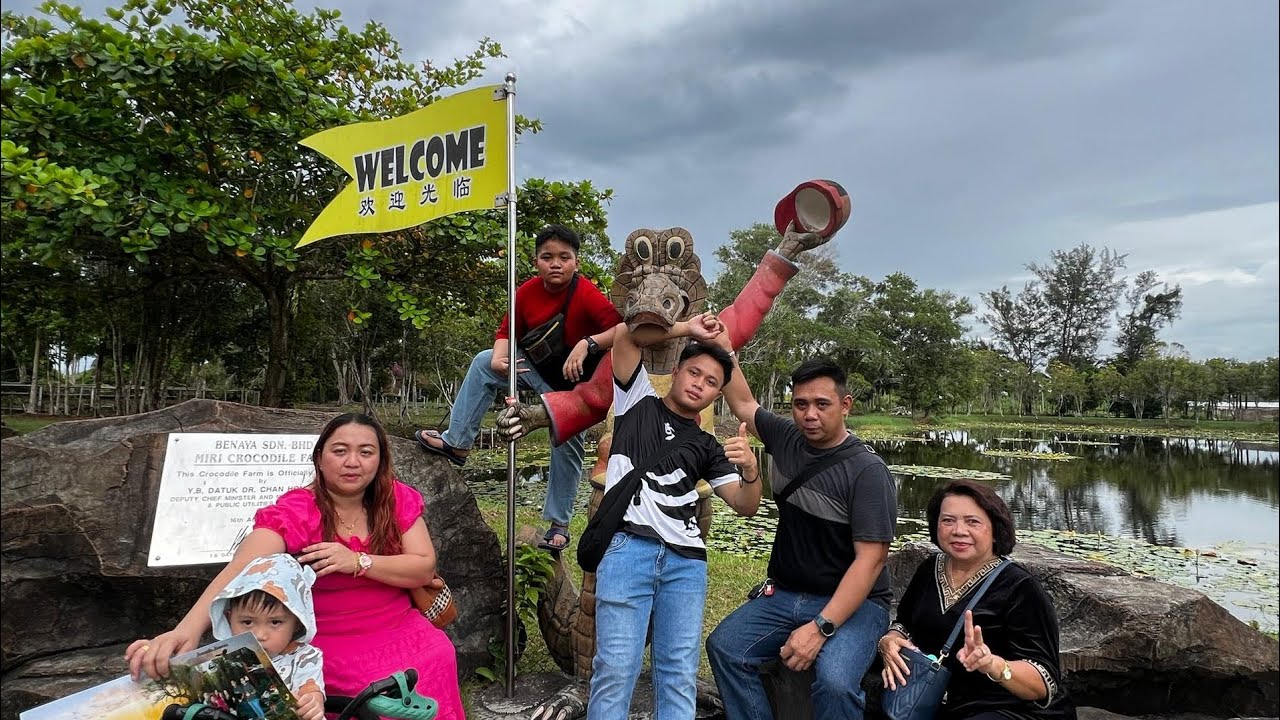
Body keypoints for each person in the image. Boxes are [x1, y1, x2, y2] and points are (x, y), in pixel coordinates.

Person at [126, 413, 465, 720]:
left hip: (397, 623)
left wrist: (356, 561)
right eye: (339, 450)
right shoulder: (299, 509)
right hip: (330, 635)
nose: (352, 462)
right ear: (319, 458)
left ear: (380, 460)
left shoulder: (396, 498)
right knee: (353, 680)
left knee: (436, 652)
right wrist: (186, 630)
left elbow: (423, 567)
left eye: (366, 452)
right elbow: (243, 568)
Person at [585, 311, 762, 719]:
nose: (699, 383)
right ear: (678, 369)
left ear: (718, 394)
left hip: (686, 563)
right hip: (629, 548)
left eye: (711, 382)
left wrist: (751, 472)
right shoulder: (636, 402)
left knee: (678, 672)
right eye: (694, 372)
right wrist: (687, 329)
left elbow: (745, 504)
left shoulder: (707, 446)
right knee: (615, 667)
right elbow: (629, 337)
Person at [705, 351, 898, 720]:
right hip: (785, 595)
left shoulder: (867, 471)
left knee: (836, 683)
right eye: (800, 404)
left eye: (822, 404)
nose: (810, 415)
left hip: (855, 605)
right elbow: (744, 401)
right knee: (725, 648)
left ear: (845, 405)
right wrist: (725, 349)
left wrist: (821, 627)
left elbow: (871, 560)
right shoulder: (787, 438)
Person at [414, 223, 622, 552]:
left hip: (574, 387)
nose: (556, 263)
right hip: (535, 369)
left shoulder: (585, 294)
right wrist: (499, 358)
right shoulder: (526, 292)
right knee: (483, 361)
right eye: (547, 257)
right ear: (536, 261)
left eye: (564, 257)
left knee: (566, 443)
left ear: (576, 262)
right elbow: (505, 332)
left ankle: (559, 523)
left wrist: (587, 344)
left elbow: (621, 330)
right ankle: (457, 443)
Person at [878, 480, 1075, 720]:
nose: (958, 530)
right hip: (931, 699)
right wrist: (890, 640)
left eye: (972, 521)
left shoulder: (1021, 588)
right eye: (948, 520)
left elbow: (1043, 684)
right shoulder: (930, 569)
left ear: (995, 529)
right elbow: (904, 624)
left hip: (1006, 708)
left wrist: (993, 664)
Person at [208, 552, 325, 720]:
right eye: (247, 622)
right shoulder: (222, 660)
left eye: (275, 622)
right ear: (229, 618)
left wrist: (312, 703)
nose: (259, 635)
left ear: (297, 623)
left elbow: (311, 692)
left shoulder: (304, 658)